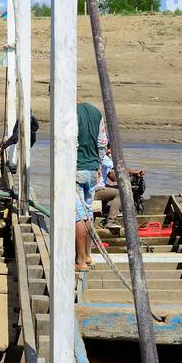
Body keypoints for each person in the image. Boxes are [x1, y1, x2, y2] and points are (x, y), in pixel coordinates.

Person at [74, 96, 104, 272]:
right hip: (92, 170)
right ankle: (87, 255)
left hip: (77, 170)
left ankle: (80, 261)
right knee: (87, 213)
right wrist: (98, 165)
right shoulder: (95, 112)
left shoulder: (70, 113)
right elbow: (102, 143)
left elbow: (72, 141)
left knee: (77, 216)